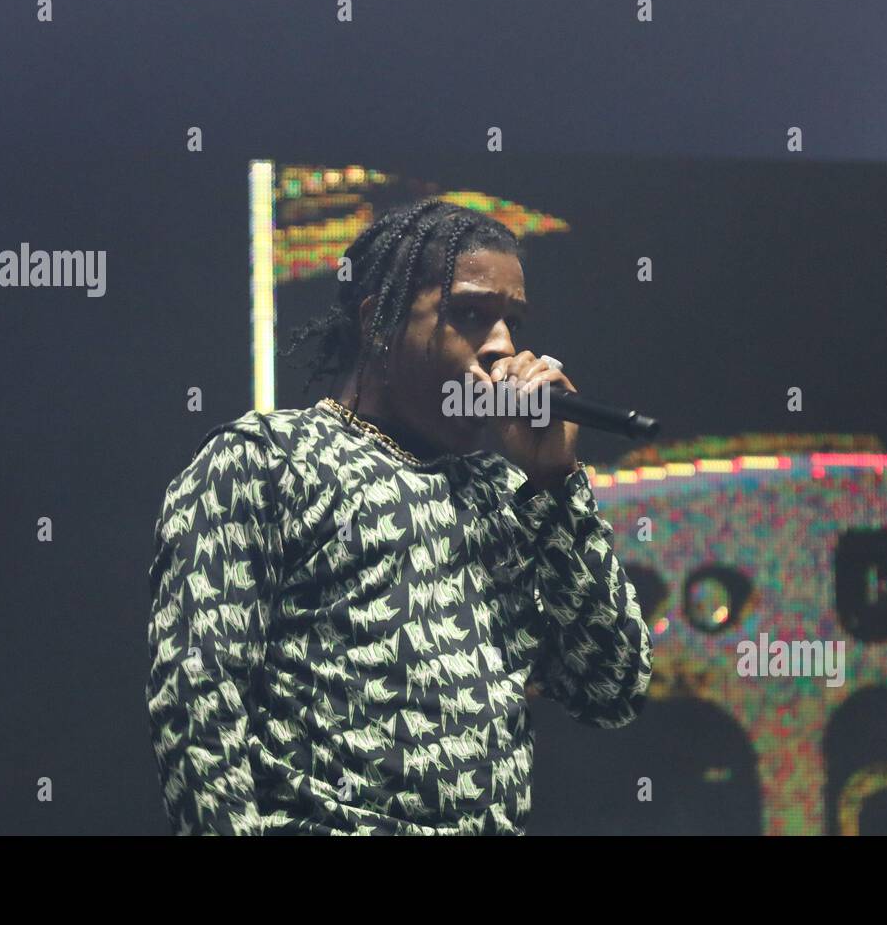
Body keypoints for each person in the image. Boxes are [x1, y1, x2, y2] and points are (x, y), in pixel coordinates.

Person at [145, 198, 652, 834]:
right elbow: (199, 720)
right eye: (469, 315)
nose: (503, 348)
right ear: (378, 324)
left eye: (512, 322)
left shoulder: (506, 494)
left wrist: (555, 486)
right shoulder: (265, 462)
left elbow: (612, 688)